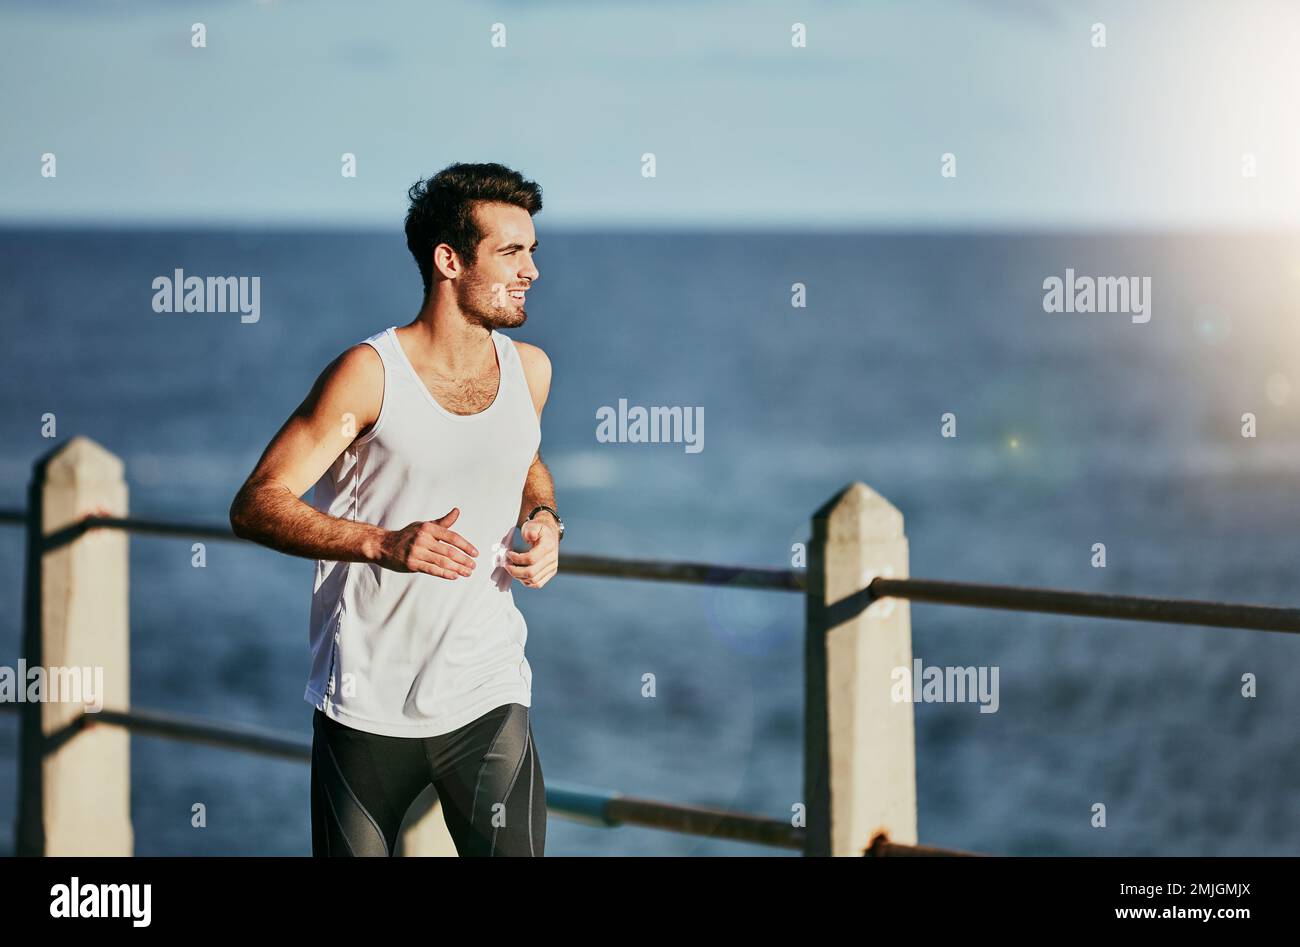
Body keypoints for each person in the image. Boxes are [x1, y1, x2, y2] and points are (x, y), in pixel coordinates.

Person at [229, 162, 563, 857]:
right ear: (449, 260)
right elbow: (258, 503)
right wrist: (383, 544)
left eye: (532, 249)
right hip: (365, 702)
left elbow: (524, 456)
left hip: (486, 690)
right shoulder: (370, 374)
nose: (531, 269)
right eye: (511, 251)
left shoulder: (530, 370)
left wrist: (545, 519)